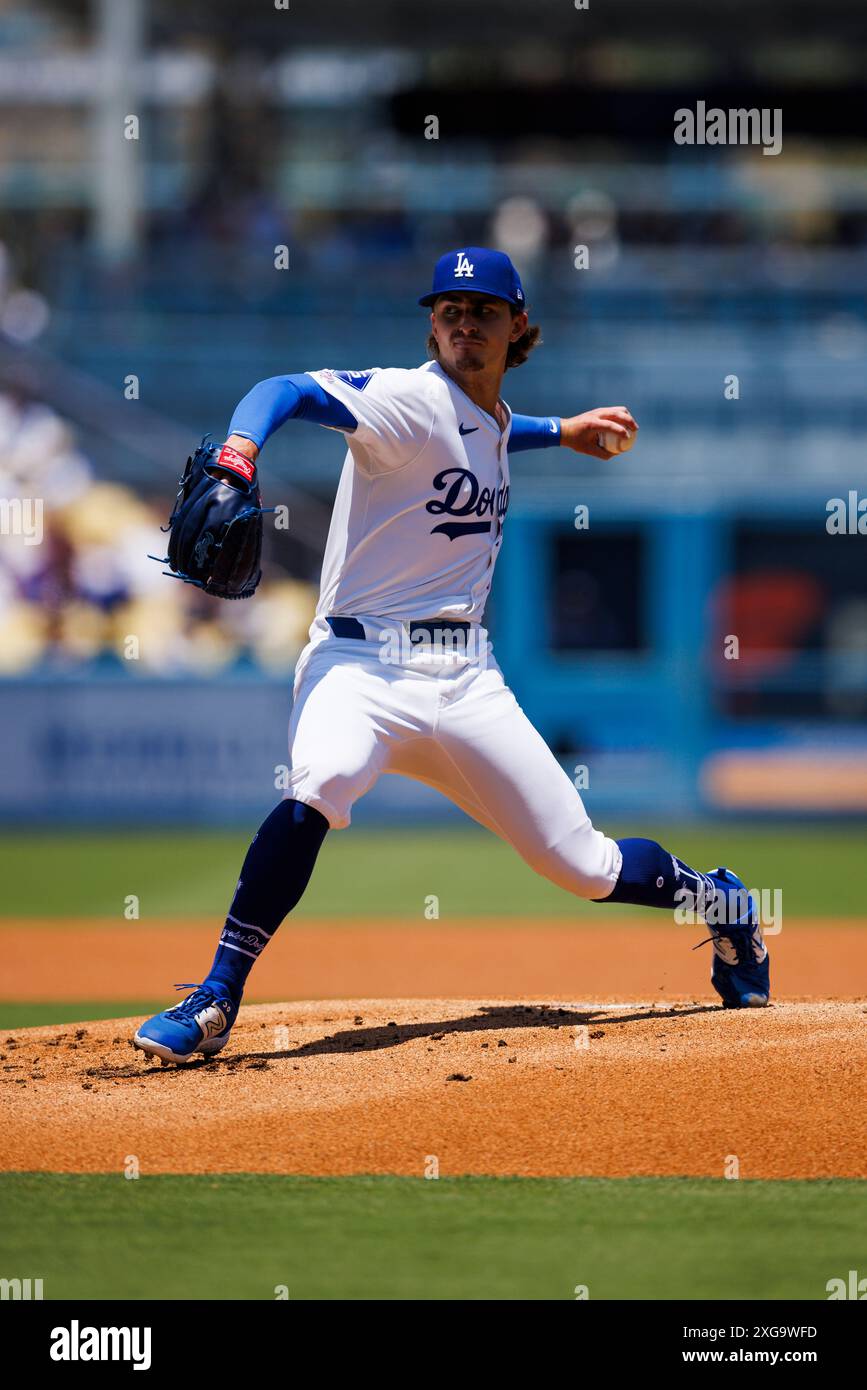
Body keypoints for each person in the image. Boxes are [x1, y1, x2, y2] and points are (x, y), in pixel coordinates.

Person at [134, 247, 769, 1065]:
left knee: (582, 866)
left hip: (467, 679)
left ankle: (721, 902)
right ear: (431, 325)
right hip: (357, 670)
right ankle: (215, 997)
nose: (464, 323)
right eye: (449, 310)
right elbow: (283, 390)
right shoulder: (403, 400)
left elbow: (490, 431)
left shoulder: (495, 418)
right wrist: (239, 452)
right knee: (319, 786)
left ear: (518, 328)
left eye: (484, 312)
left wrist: (563, 431)